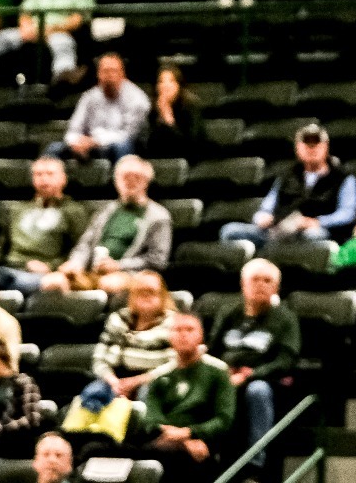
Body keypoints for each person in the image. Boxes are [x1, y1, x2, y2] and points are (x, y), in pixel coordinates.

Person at [92, 312, 233, 483]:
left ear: (201, 335)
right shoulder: (161, 375)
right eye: (177, 330)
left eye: (189, 329)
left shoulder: (218, 372)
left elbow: (223, 419)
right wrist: (182, 439)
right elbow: (151, 418)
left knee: (173, 456)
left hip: (203, 445)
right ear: (169, 336)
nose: (183, 334)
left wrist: (189, 433)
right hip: (165, 441)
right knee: (96, 450)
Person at [209, 259, 300, 478]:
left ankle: (256, 463)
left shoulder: (285, 318)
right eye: (255, 279)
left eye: (267, 280)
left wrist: (250, 374)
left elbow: (286, 360)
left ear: (276, 288)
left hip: (266, 380)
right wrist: (223, 373)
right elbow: (213, 349)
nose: (260, 285)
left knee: (256, 390)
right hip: (227, 375)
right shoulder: (229, 312)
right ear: (243, 284)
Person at [219, 123, 356, 247]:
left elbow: (347, 213)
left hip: (314, 231)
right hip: (278, 230)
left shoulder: (343, 178)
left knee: (313, 236)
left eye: (316, 143)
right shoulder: (286, 175)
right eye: (306, 143)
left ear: (326, 147)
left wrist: (316, 222)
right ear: (297, 147)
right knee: (229, 231)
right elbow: (267, 207)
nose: (311, 148)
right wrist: (262, 217)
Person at [53, 155, 170, 294]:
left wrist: (118, 265)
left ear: (146, 181)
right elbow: (85, 244)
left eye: (136, 177)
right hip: (92, 271)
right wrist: (75, 264)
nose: (130, 181)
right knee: (54, 282)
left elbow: (157, 260)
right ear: (116, 181)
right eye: (125, 177)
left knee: (108, 284)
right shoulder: (105, 211)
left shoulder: (159, 216)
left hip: (129, 274)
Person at [79, 269, 176, 407]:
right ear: (132, 295)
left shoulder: (173, 323)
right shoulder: (117, 319)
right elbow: (99, 358)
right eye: (140, 291)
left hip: (151, 381)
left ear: (163, 296)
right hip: (114, 380)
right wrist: (113, 382)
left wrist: (137, 382)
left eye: (150, 291)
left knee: (147, 396)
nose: (145, 296)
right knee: (92, 394)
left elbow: (175, 364)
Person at [0, 158, 91, 295]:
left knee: (53, 283)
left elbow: (79, 250)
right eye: (38, 174)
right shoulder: (17, 210)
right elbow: (2, 249)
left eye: (50, 174)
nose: (44, 179)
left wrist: (51, 266)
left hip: (44, 275)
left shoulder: (73, 211)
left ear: (63, 179)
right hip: (8, 269)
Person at [49, 53, 150, 162]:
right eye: (105, 71)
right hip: (90, 144)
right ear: (98, 74)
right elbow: (73, 129)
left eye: (113, 71)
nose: (109, 75)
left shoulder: (138, 99)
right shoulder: (89, 97)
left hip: (125, 146)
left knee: (121, 146)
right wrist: (78, 142)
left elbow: (128, 135)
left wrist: (96, 141)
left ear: (122, 74)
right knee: (54, 148)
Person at [143, 63, 202, 159]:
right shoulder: (152, 107)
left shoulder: (191, 106)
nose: (165, 86)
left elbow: (191, 145)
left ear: (179, 85)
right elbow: (148, 144)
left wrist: (169, 120)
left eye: (171, 81)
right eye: (161, 82)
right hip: (158, 157)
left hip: (188, 158)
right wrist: (160, 117)